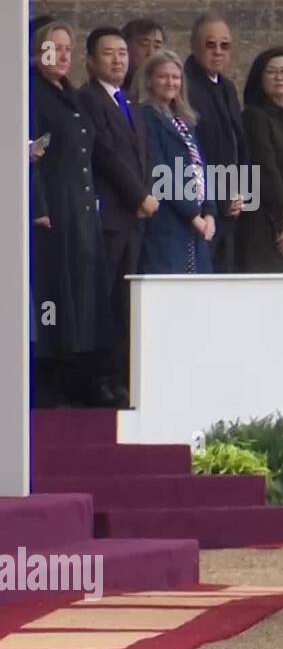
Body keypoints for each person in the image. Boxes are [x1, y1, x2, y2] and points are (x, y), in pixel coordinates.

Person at [29, 21, 116, 408]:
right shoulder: (30, 93)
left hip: (80, 209)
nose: (62, 55)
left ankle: (81, 373)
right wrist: (38, 206)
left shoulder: (74, 96)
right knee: (51, 296)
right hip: (50, 210)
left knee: (81, 295)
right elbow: (31, 152)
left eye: (68, 49)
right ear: (37, 52)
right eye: (54, 48)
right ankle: (46, 375)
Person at [80, 27, 157, 406]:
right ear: (91, 61)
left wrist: (151, 190)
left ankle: (119, 375)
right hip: (110, 215)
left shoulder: (128, 101)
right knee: (105, 299)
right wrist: (139, 195)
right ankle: (98, 378)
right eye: (109, 54)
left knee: (126, 301)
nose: (118, 60)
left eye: (123, 54)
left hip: (133, 221)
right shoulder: (89, 100)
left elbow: (142, 155)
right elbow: (107, 155)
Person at [135, 50, 218, 274]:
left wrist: (209, 211)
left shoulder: (184, 120)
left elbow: (199, 166)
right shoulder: (146, 116)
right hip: (169, 221)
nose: (171, 82)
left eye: (176, 77)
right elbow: (160, 170)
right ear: (150, 80)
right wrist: (193, 215)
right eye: (163, 76)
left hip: (196, 224)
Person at [184, 14, 247, 272]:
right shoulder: (184, 86)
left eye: (225, 45)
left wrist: (243, 193)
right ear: (194, 46)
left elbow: (239, 143)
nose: (218, 52)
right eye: (211, 45)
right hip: (202, 208)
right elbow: (191, 150)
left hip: (231, 207)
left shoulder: (228, 88)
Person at [238, 48, 283, 272]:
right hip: (266, 222)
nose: (279, 77)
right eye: (272, 72)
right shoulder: (254, 117)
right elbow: (266, 169)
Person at [121, 18, 165, 93]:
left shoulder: (168, 86)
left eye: (157, 46)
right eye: (144, 45)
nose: (151, 53)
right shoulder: (116, 87)